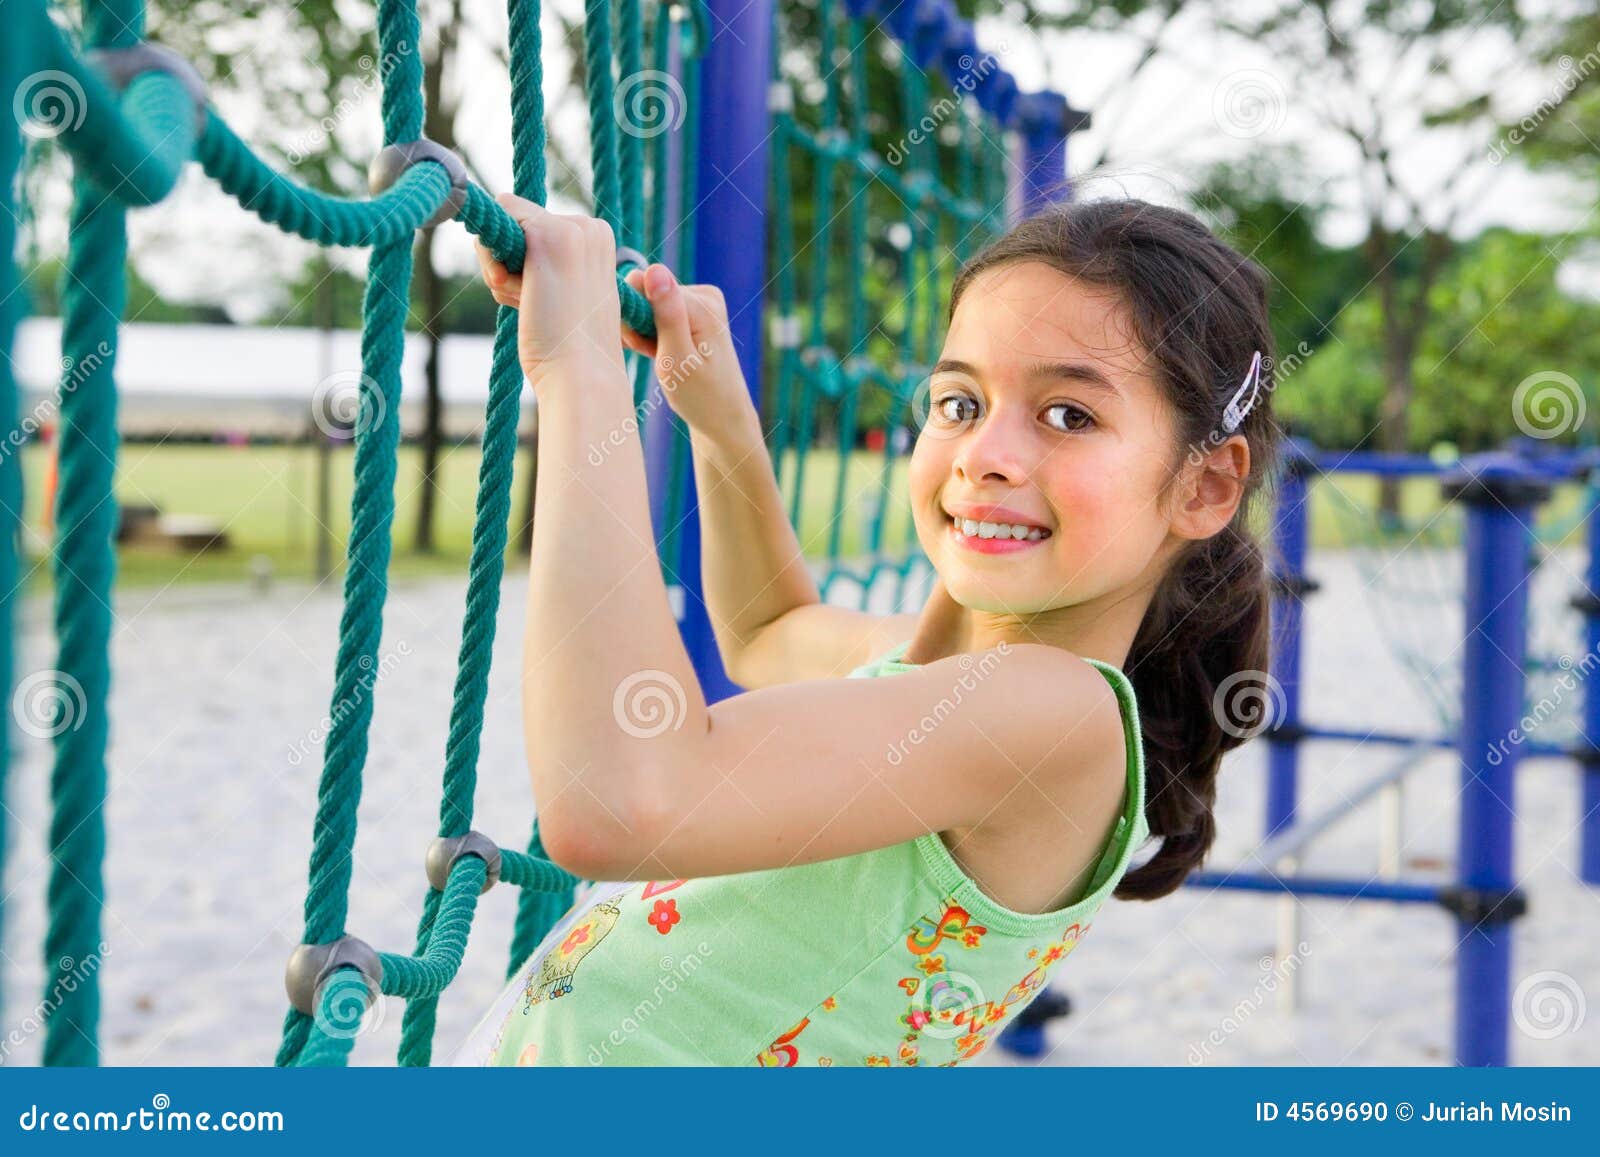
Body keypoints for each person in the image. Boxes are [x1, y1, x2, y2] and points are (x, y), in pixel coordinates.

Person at [451, 194, 1280, 1067]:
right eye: (960, 401)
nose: (982, 452)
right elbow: (770, 632)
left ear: (1205, 488)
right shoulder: (941, 678)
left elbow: (614, 803)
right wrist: (722, 421)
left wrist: (578, 370)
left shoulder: (1053, 715)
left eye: (1068, 415)